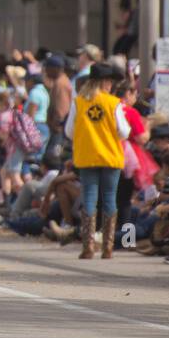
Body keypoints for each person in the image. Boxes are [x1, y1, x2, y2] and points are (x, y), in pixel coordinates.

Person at [65, 61, 129, 260]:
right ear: (104, 82)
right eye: (109, 81)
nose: (111, 85)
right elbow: (125, 131)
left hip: (87, 156)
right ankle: (107, 248)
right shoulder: (113, 103)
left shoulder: (79, 102)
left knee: (90, 198)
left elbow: (69, 131)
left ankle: (88, 246)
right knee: (110, 198)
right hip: (110, 156)